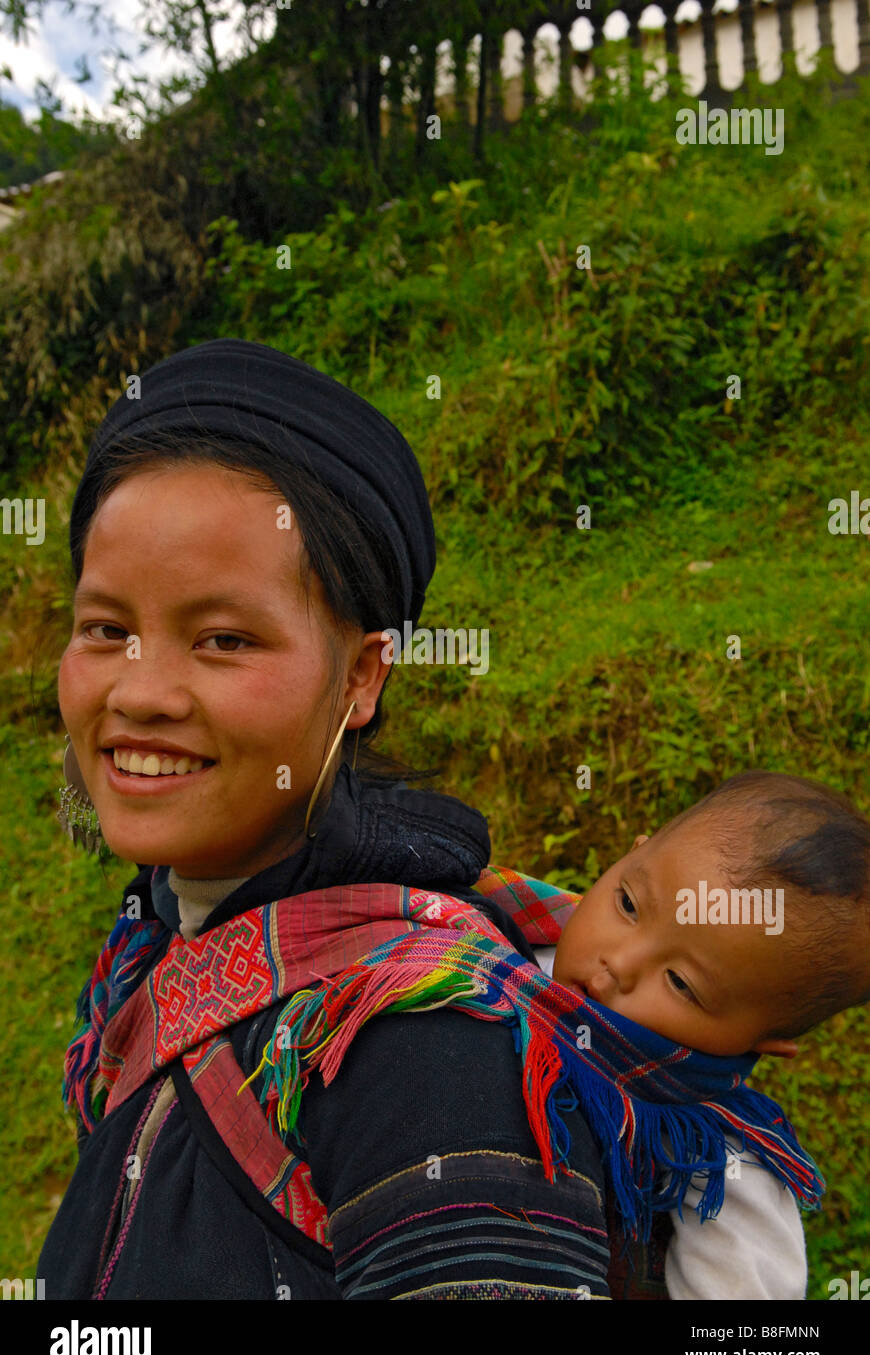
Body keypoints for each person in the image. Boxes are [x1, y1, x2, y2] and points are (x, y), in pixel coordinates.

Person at [38, 338, 618, 1300]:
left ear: (360, 675)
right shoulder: (153, 962)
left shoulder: (431, 1041)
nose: (138, 692)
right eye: (106, 630)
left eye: (224, 639)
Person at [528, 768, 870, 1298]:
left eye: (682, 984)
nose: (617, 965)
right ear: (630, 854)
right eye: (628, 905)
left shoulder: (718, 1164)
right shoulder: (492, 946)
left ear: (761, 1044)